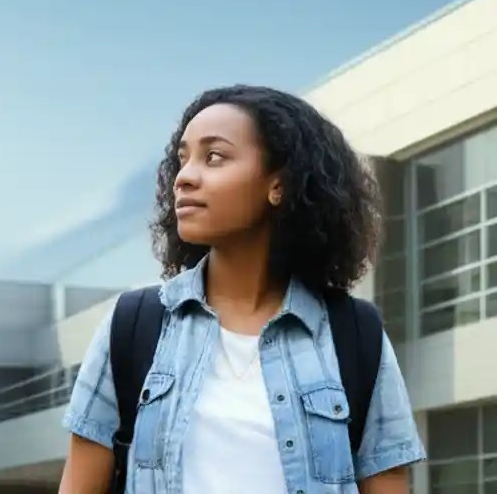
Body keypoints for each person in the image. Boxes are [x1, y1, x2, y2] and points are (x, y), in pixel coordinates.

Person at [57, 85, 424, 494]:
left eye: (214, 157)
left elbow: (386, 478)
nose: (185, 177)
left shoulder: (354, 334)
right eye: (182, 159)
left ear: (278, 185)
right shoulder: (133, 324)